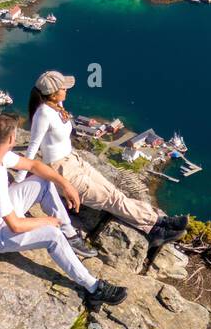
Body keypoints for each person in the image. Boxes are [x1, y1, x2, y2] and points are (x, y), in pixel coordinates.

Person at [0, 112, 127, 306]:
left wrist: (65, 184)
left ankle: (70, 236)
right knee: (52, 236)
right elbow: (15, 225)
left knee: (43, 182)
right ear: (12, 138)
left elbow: (33, 164)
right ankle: (94, 287)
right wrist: (47, 221)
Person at [26, 70, 189, 249]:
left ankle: (157, 230)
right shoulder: (42, 114)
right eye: (64, 87)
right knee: (112, 199)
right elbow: (33, 147)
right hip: (61, 171)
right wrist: (18, 181)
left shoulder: (57, 105)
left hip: (74, 160)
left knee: (116, 193)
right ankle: (159, 221)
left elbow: (57, 114)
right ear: (54, 93)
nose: (67, 89)